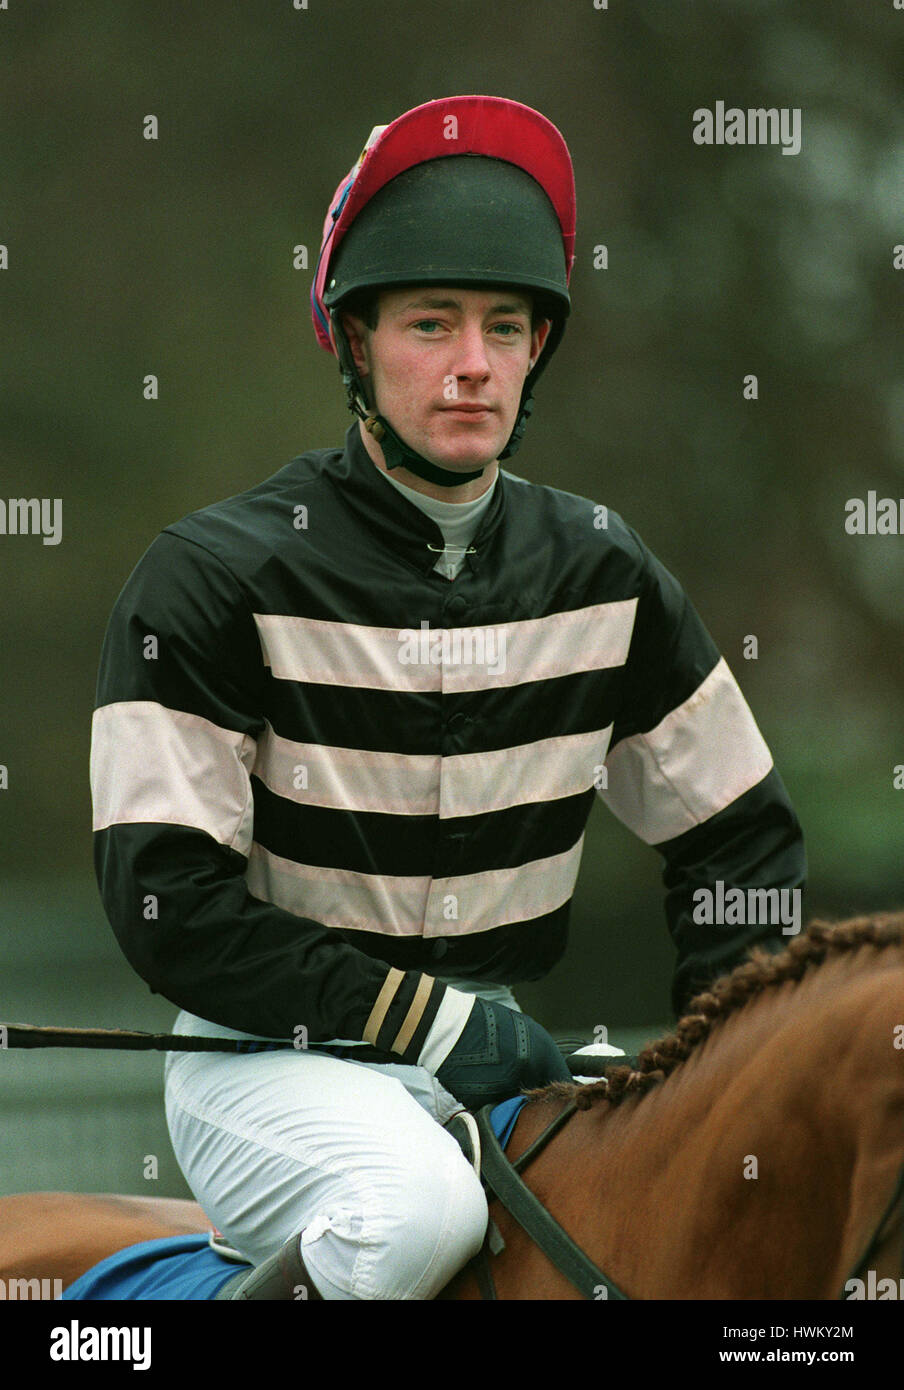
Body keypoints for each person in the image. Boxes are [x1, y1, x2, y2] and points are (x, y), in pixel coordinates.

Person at [89, 95, 806, 1301]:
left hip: (497, 1060)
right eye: (432, 324)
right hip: (265, 1068)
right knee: (411, 1217)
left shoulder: (604, 570)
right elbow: (167, 903)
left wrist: (724, 1074)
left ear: (538, 352)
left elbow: (740, 841)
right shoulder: (212, 576)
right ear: (355, 341)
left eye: (507, 327)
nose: (474, 364)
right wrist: (419, 1019)